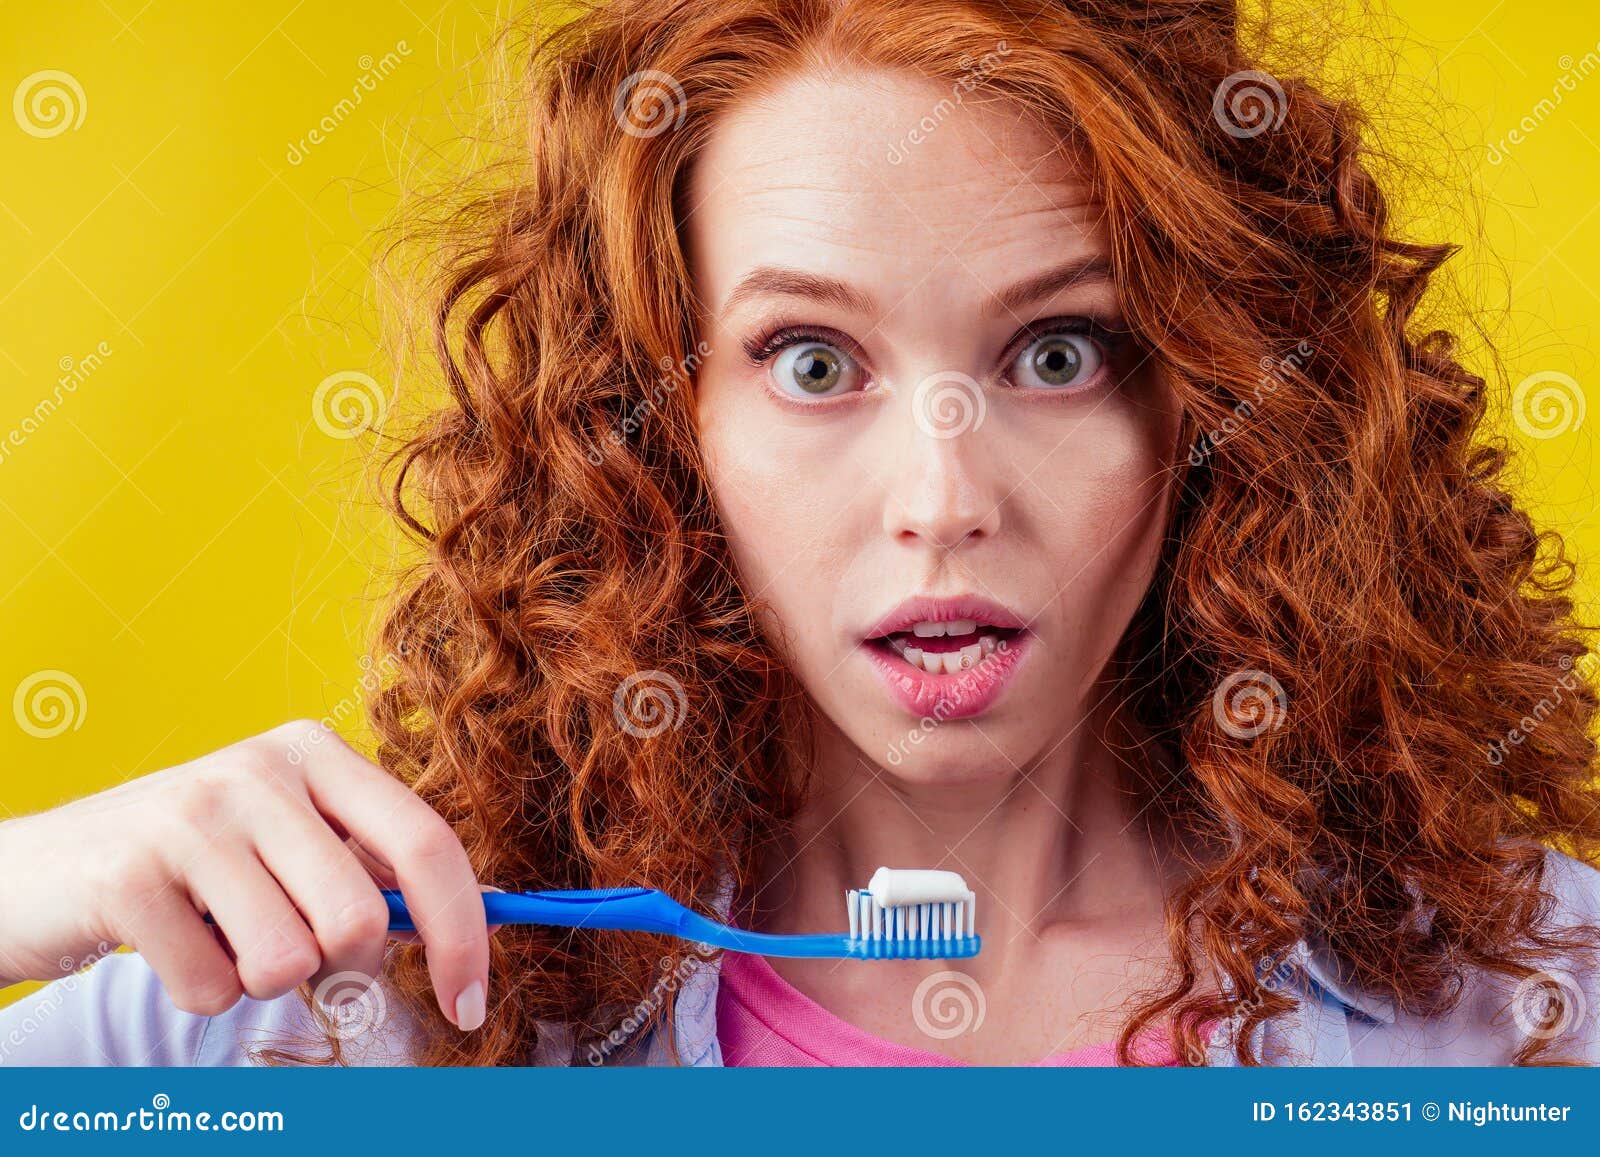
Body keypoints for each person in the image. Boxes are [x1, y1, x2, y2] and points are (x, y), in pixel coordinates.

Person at [3, 0, 1599, 1068]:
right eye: (814, 362)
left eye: (1058, 351)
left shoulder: (1533, 1013)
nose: (944, 500)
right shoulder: (381, 1006)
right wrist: (35, 880)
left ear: (1210, 396)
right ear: (659, 415)